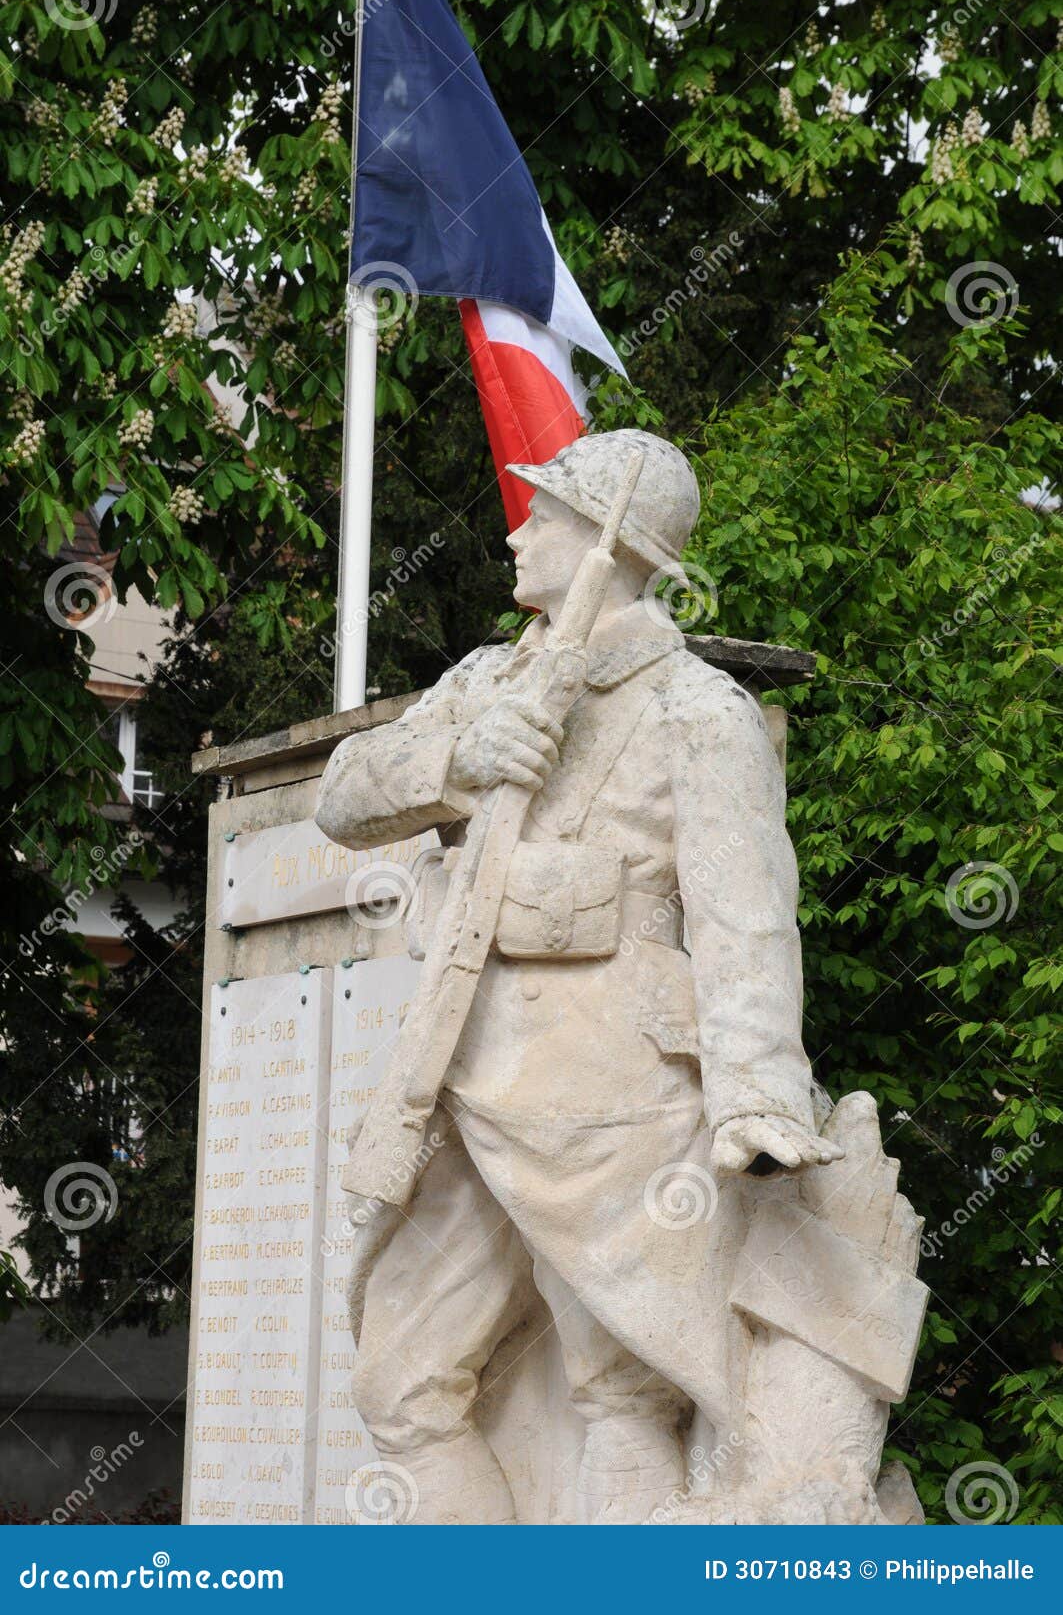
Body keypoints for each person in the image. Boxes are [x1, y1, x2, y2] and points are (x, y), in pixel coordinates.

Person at [315, 430, 841, 1524]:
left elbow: (746, 919)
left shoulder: (699, 711)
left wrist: (755, 1093)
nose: (517, 532)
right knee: (401, 1381)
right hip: (463, 1084)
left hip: (614, 1105)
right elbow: (344, 795)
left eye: (544, 515)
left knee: (622, 1392)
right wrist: (456, 759)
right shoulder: (485, 679)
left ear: (612, 545)